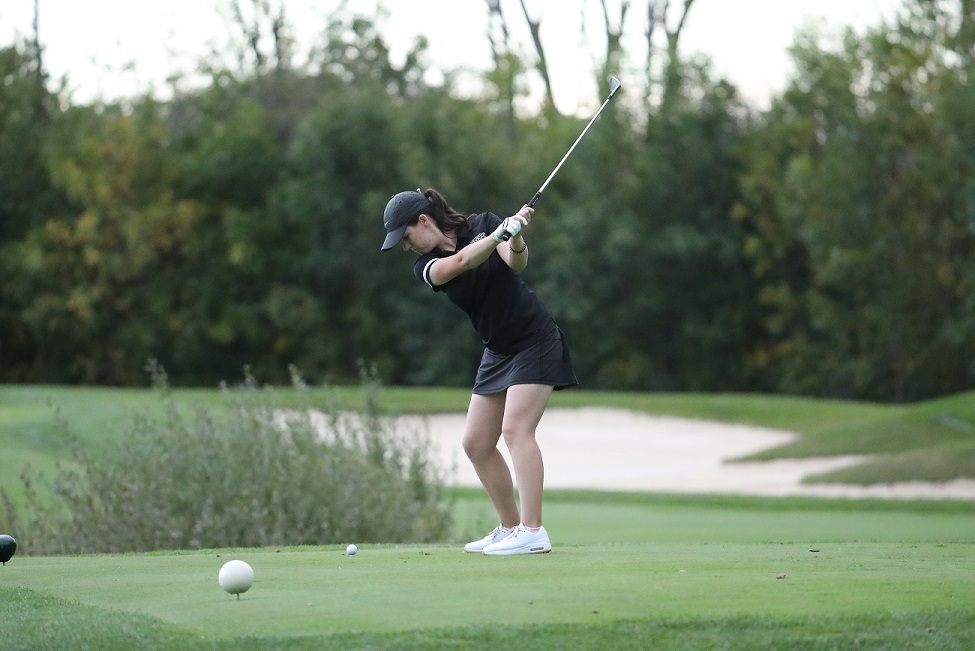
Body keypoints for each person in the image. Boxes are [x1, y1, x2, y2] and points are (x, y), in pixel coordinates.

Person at [380, 188, 577, 555]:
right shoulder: (426, 266)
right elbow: (461, 262)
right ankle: (510, 527)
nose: (407, 247)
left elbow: (516, 263)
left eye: (406, 237)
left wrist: (514, 236)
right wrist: (499, 234)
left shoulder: (483, 224)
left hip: (534, 339)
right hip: (498, 349)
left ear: (423, 221)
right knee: (476, 443)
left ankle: (533, 532)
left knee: (516, 430)